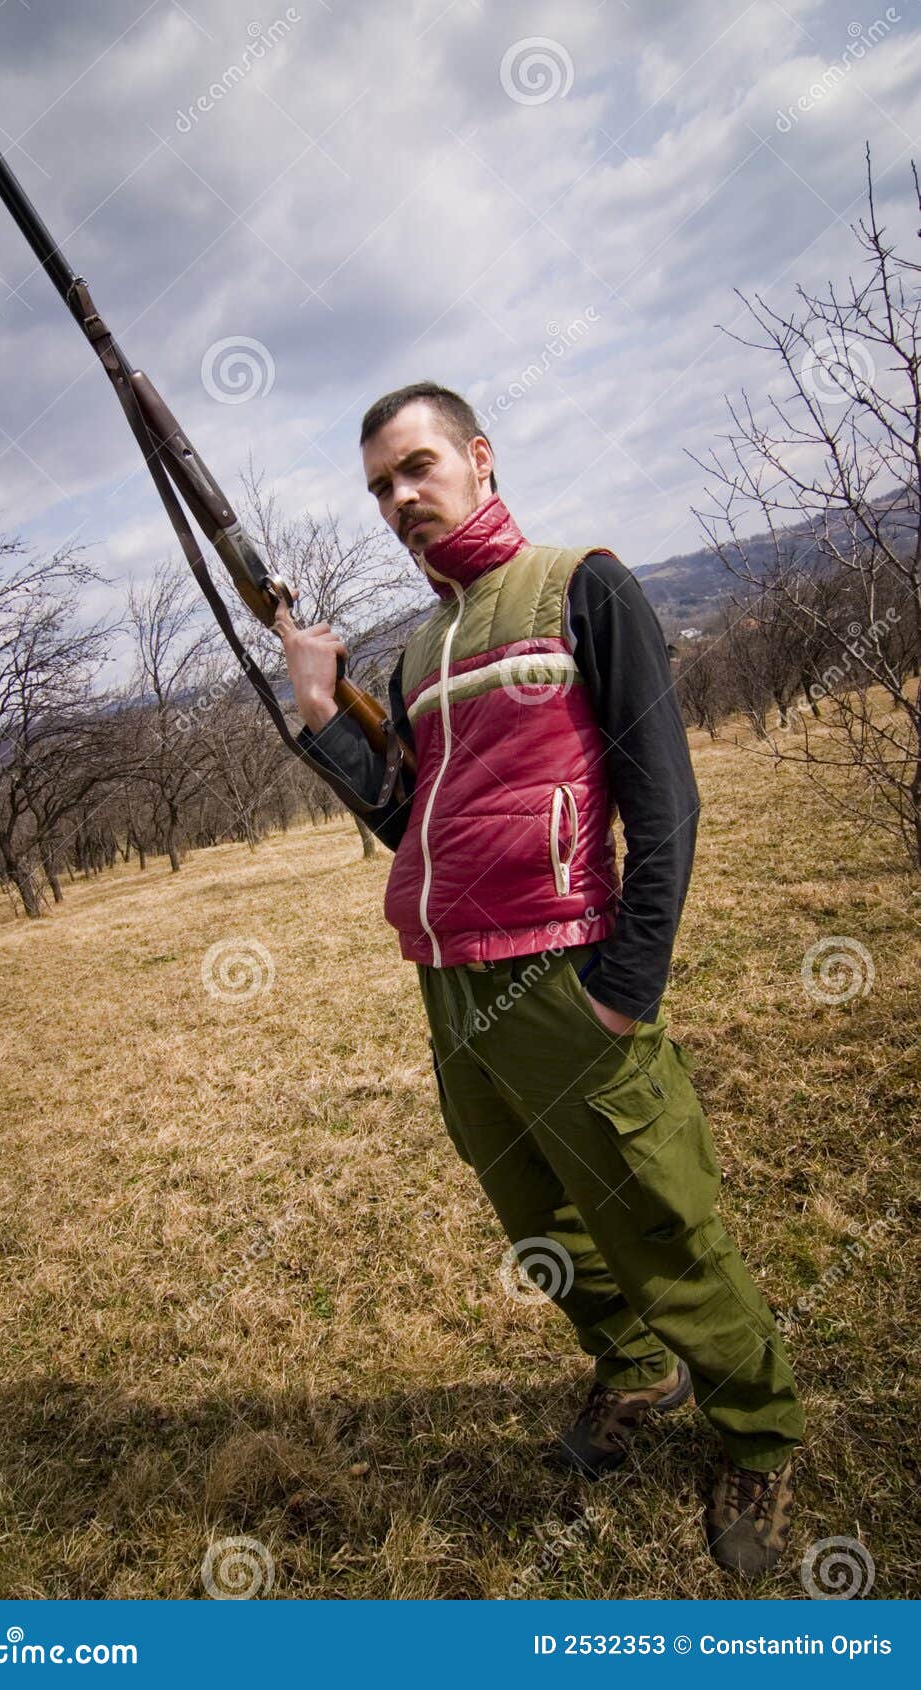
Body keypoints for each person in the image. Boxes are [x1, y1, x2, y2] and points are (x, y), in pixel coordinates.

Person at [274, 380, 803, 1577]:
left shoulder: (582, 586)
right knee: (537, 1219)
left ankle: (757, 1432)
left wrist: (626, 989)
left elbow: (664, 801)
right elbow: (410, 814)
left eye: (414, 468)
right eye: (378, 489)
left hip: (567, 972)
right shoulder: (420, 647)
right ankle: (630, 1367)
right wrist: (321, 713)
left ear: (478, 456)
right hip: (454, 989)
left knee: (656, 1216)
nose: (399, 500)